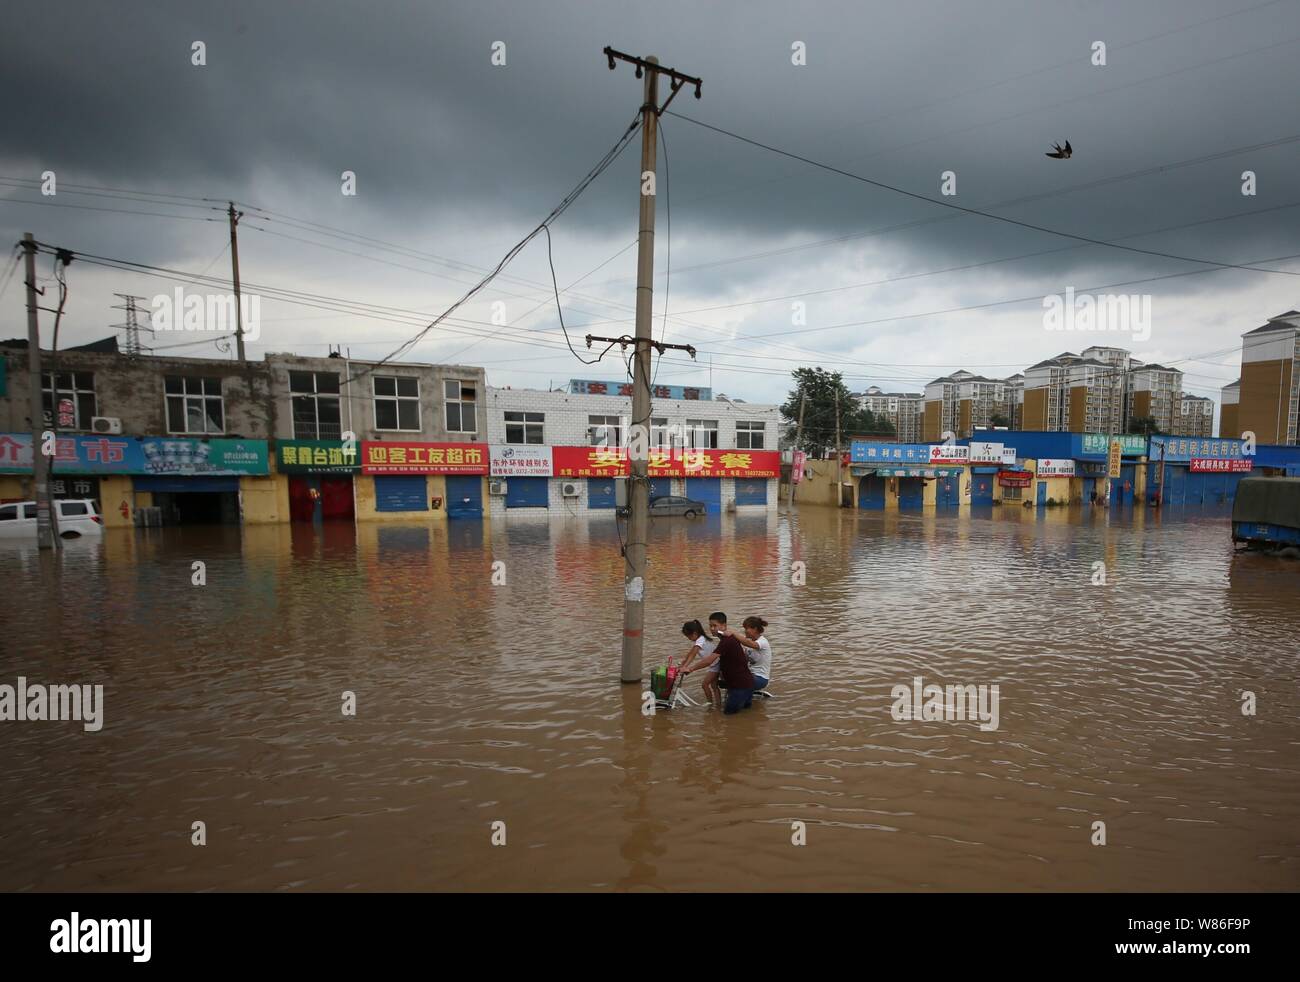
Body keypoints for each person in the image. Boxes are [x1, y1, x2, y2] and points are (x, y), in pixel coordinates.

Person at [681, 611, 754, 714]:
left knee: (728, 718)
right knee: (745, 717)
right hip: (741, 685)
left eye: (715, 626)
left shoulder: (726, 641)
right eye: (710, 626)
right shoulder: (725, 640)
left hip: (740, 687)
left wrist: (690, 668)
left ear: (724, 626)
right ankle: (715, 705)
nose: (712, 629)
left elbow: (709, 660)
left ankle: (712, 707)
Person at [734, 616, 772, 695]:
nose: (745, 631)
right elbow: (743, 660)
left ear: (755, 629)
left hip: (761, 678)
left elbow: (748, 643)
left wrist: (733, 633)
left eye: (746, 628)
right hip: (751, 675)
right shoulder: (749, 645)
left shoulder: (762, 642)